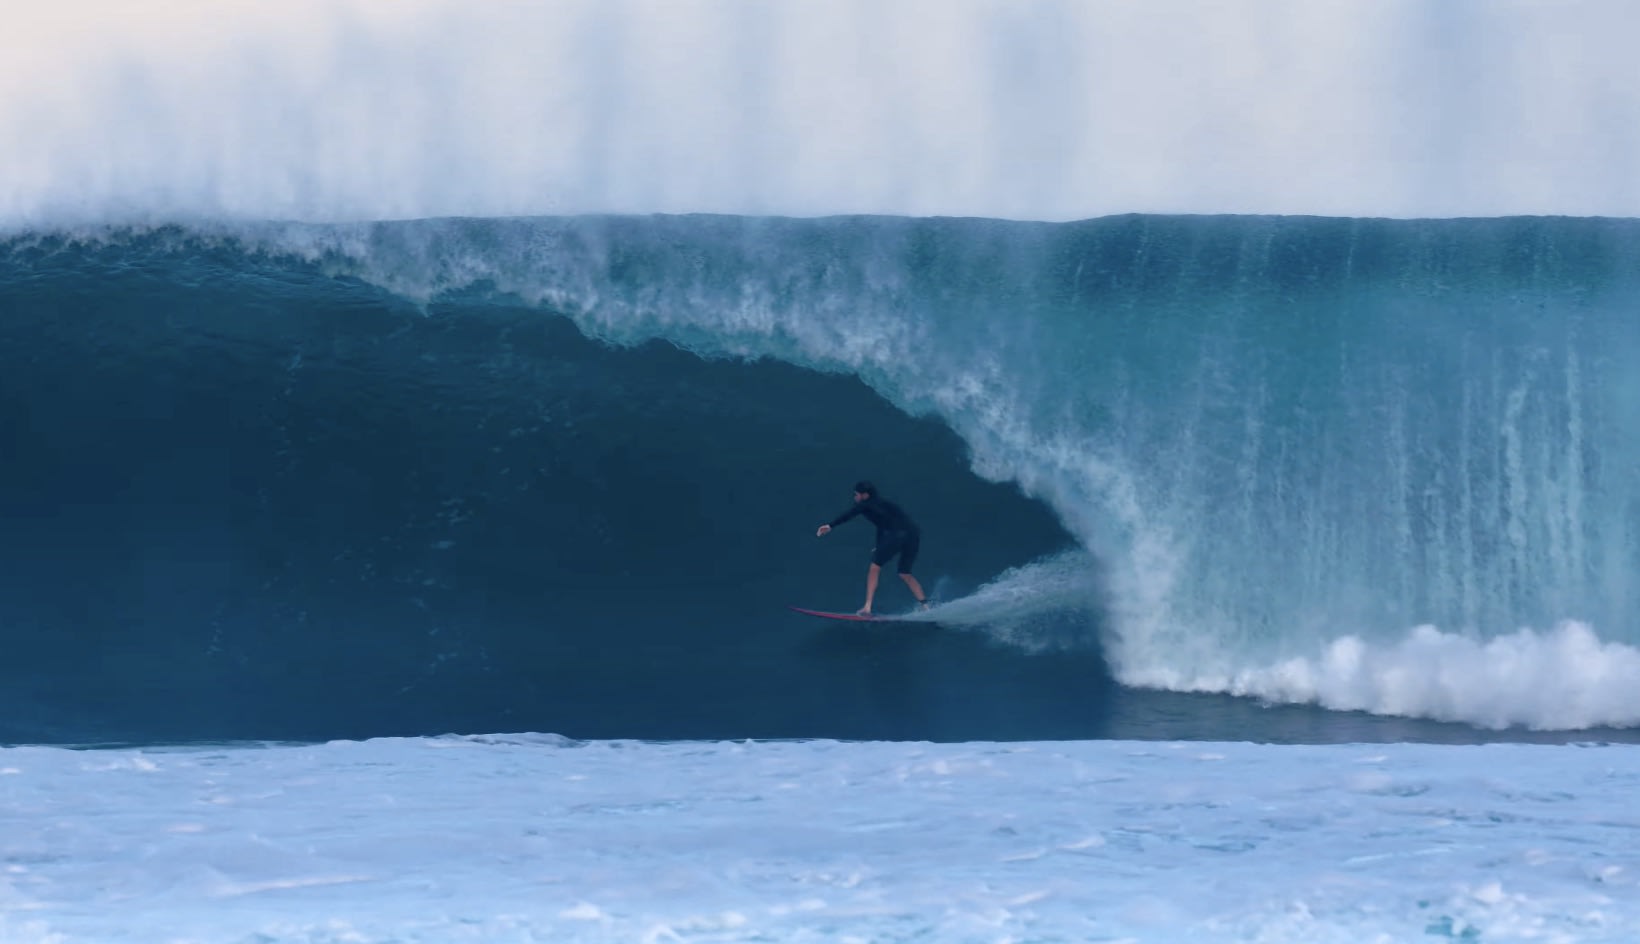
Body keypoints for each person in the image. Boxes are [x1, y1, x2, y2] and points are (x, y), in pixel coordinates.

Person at [815, 480, 929, 616]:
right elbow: (882, 525)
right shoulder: (883, 503)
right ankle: (926, 606)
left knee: (874, 568)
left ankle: (867, 607)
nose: (855, 497)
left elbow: (849, 514)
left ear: (865, 495)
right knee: (905, 573)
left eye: (856, 494)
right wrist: (880, 546)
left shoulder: (865, 505)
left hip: (898, 535)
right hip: (913, 534)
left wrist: (830, 525)